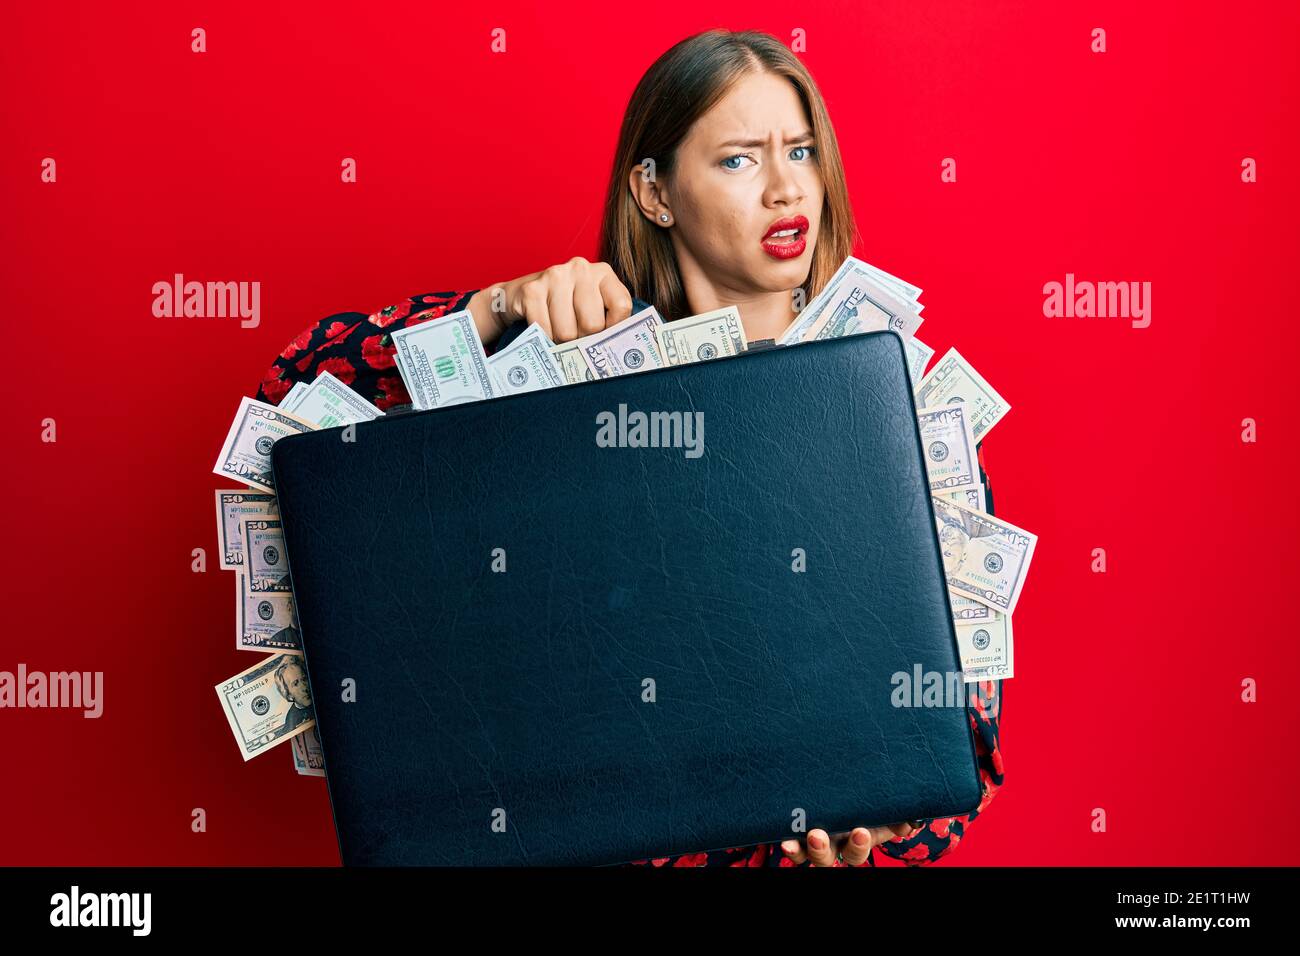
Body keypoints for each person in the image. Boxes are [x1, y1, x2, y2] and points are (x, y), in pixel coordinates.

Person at [255, 28, 1004, 867]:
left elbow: (962, 755)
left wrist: (886, 841)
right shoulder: (564, 371)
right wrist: (499, 306)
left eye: (800, 149)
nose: (788, 187)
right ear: (654, 193)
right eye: (738, 160)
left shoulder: (913, 422)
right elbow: (297, 388)